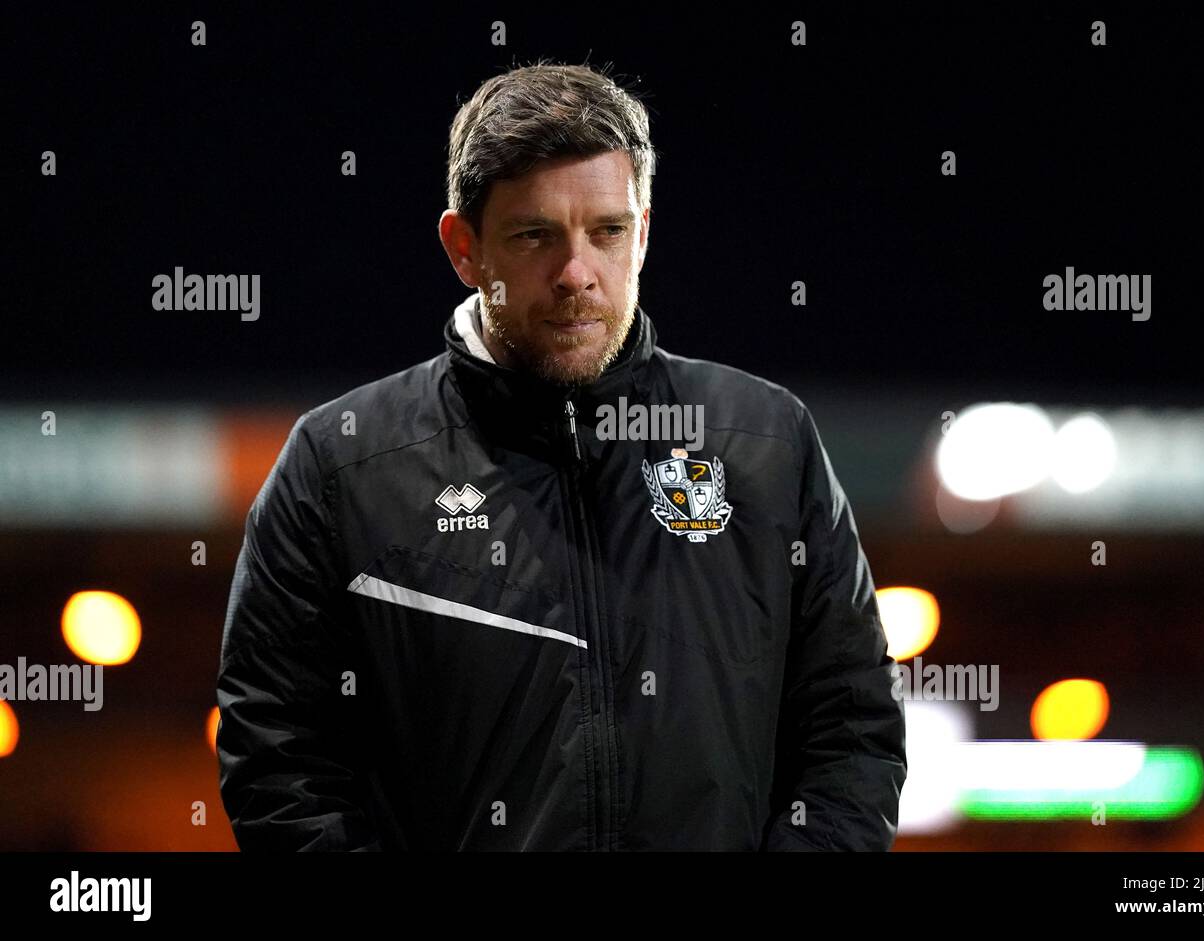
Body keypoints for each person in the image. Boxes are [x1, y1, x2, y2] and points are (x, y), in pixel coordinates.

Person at [216, 61, 906, 851]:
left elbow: (854, 732)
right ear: (463, 248)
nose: (578, 273)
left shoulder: (766, 444)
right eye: (536, 235)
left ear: (643, 232)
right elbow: (279, 762)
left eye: (607, 232)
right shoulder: (341, 467)